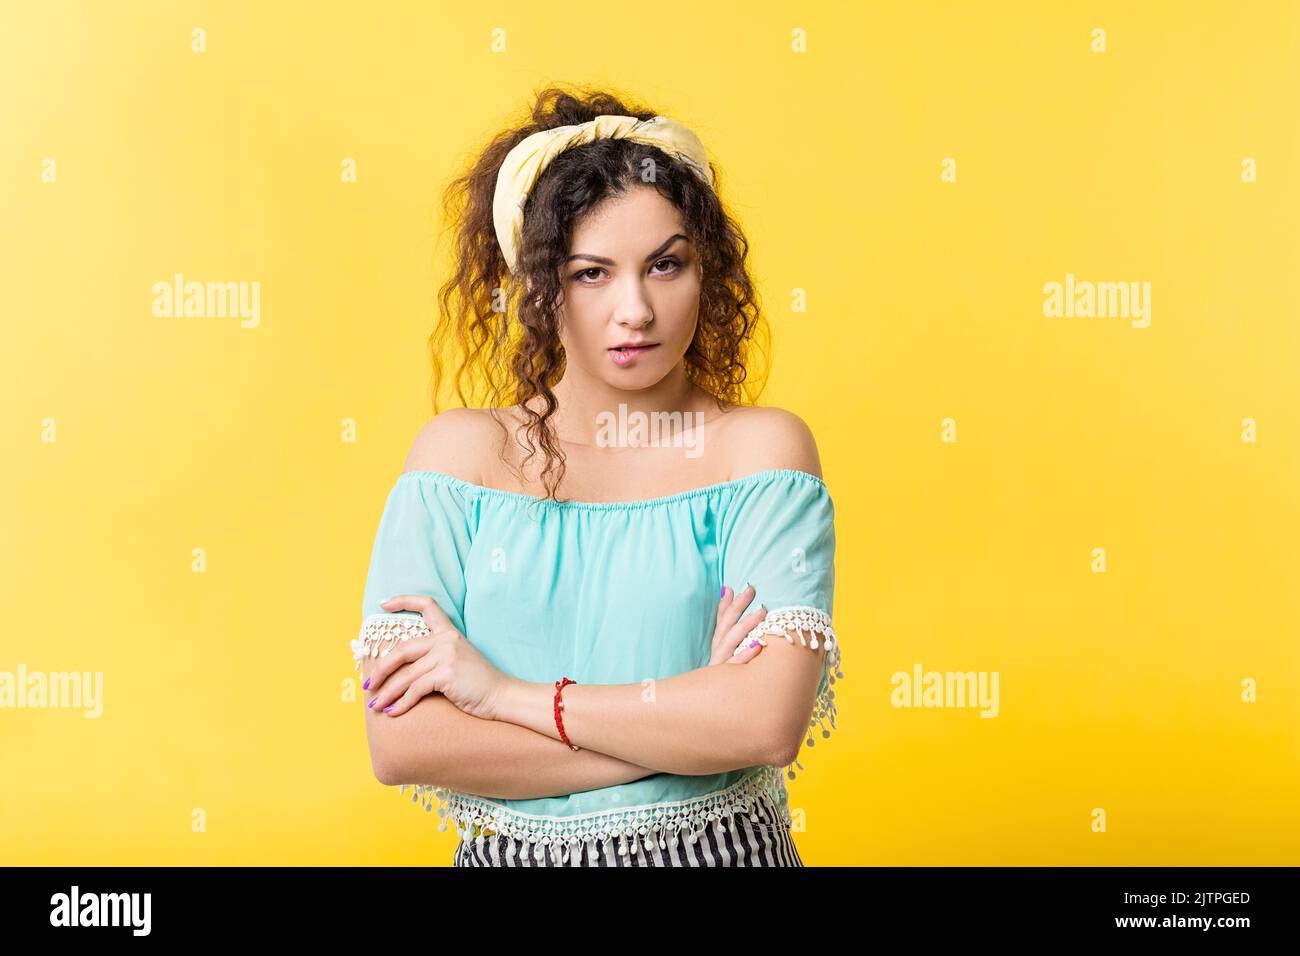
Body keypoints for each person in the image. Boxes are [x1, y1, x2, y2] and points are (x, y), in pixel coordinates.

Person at [350, 86, 843, 866]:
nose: (636, 310)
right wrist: (688, 729)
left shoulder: (762, 456)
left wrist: (507, 699)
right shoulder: (457, 461)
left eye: (665, 265)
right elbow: (402, 740)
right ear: (538, 286)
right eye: (591, 273)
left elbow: (764, 726)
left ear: (705, 272)